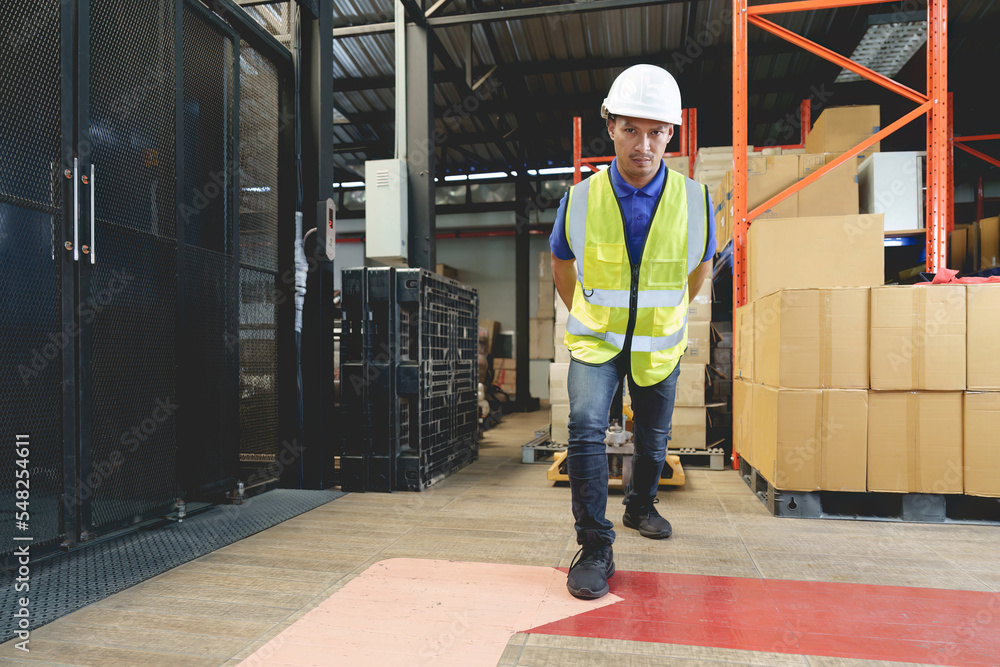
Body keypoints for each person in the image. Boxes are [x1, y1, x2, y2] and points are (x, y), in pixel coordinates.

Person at [549, 64, 716, 600]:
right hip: (597, 340)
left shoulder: (695, 200)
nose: (643, 144)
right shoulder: (580, 198)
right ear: (611, 127)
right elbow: (560, 261)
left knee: (654, 441)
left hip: (658, 342)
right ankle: (595, 544)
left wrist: (666, 316)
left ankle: (640, 506)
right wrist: (589, 311)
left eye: (656, 131)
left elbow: (697, 269)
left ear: (672, 133)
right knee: (583, 425)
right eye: (631, 129)